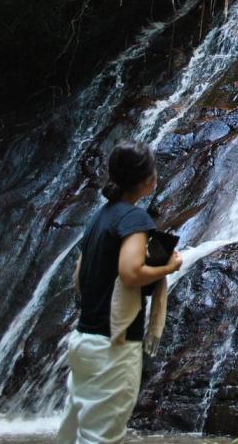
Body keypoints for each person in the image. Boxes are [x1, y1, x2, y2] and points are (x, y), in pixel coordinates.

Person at [57, 140, 183, 444]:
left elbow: (81, 274)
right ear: (149, 181)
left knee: (73, 432)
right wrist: (169, 268)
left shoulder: (101, 217)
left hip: (85, 341)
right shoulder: (134, 219)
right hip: (112, 347)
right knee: (101, 438)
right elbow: (131, 273)